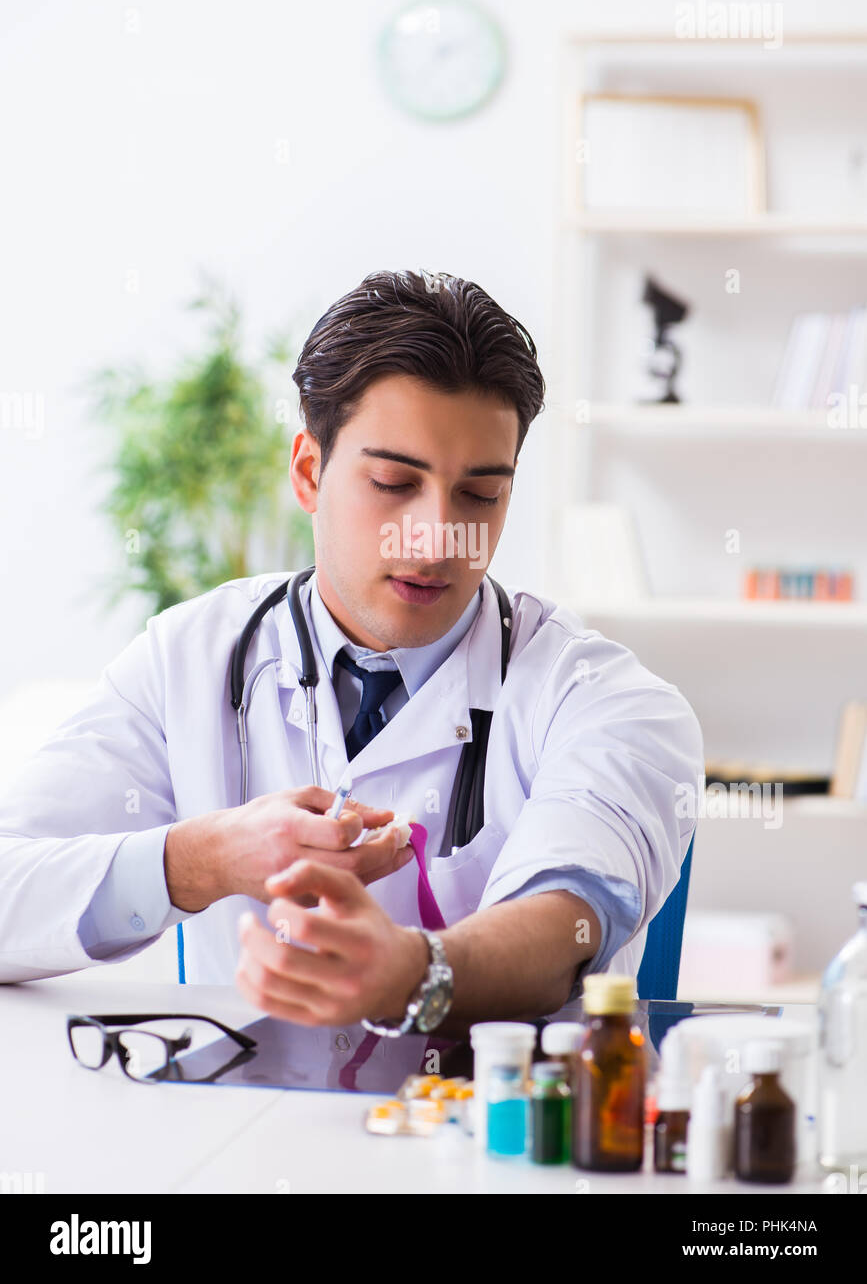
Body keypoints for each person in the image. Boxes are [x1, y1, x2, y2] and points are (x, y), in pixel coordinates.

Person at [0, 269, 703, 1040]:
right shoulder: (188, 661)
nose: (436, 536)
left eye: (479, 494)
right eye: (394, 482)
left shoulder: (605, 699)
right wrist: (200, 860)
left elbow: (568, 924)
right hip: (238, 1129)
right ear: (308, 472)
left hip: (495, 1142)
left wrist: (412, 972)